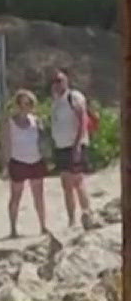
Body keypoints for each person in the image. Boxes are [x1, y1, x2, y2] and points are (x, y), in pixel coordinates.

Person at [48, 70, 97, 231]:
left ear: (66, 81)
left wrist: (77, 144)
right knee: (66, 184)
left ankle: (87, 213)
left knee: (78, 180)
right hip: (61, 146)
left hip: (74, 145)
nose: (57, 83)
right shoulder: (56, 101)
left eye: (60, 80)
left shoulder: (73, 97)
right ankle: (71, 220)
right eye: (55, 81)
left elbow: (82, 119)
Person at [0, 89, 49, 239]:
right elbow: (6, 144)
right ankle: (13, 229)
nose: (26, 107)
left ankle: (43, 226)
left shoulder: (36, 121)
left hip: (36, 160)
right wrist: (5, 165)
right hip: (18, 161)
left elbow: (42, 141)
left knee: (39, 196)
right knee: (16, 196)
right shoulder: (10, 123)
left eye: (29, 104)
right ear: (17, 105)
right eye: (23, 103)